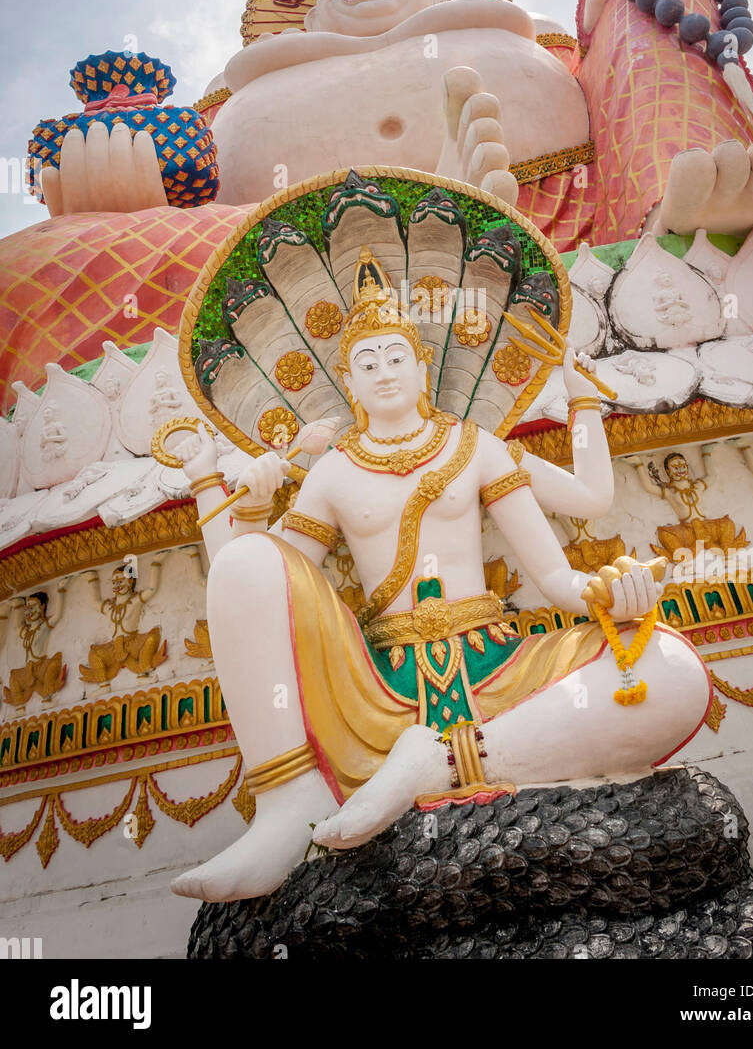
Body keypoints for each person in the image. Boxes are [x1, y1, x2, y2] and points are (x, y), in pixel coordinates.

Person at [170, 269, 710, 904]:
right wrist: (234, 499)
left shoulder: (474, 446)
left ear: (424, 368)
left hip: (500, 672)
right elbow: (246, 586)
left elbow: (580, 527)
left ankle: (437, 765)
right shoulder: (333, 473)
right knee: (248, 561)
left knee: (674, 669)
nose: (384, 371)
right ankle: (289, 806)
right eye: (366, 362)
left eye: (397, 355)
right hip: (378, 693)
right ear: (348, 383)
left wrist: (584, 406)